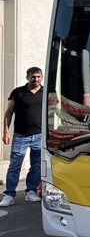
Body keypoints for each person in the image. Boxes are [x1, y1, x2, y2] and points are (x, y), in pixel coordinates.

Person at [3, 66, 45, 207]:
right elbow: (9, 113)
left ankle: (31, 192)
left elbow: (54, 112)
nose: (36, 79)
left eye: (38, 76)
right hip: (21, 135)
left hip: (39, 135)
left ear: (42, 77)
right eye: (33, 76)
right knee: (15, 165)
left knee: (36, 165)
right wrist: (6, 132)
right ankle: (9, 194)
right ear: (27, 77)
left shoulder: (46, 93)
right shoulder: (18, 93)